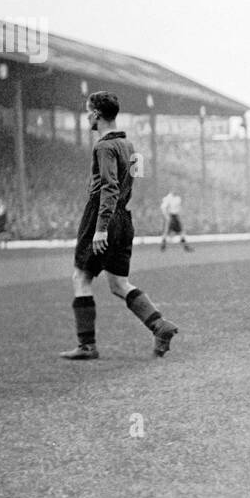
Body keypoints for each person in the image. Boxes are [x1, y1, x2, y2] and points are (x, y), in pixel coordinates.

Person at [61, 91, 179, 360]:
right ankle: (160, 326)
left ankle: (87, 346)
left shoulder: (103, 146)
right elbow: (133, 179)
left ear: (96, 114)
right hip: (124, 217)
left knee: (81, 277)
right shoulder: (129, 145)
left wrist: (101, 227)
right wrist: (119, 216)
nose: (87, 116)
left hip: (101, 216)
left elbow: (108, 186)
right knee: (118, 283)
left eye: (87, 111)